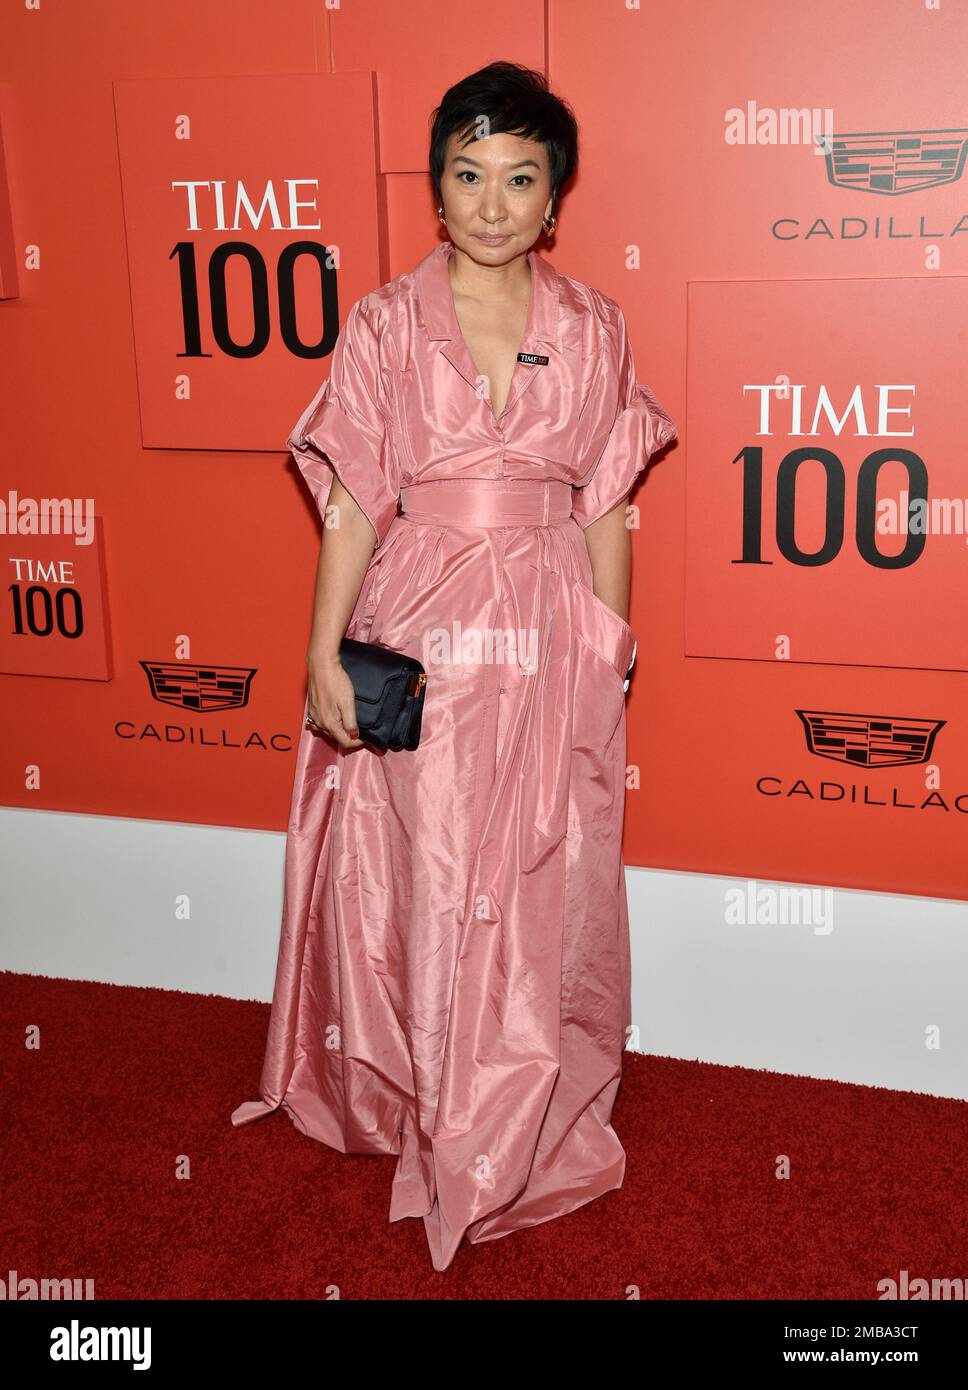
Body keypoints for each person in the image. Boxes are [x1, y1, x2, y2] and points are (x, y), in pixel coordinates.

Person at [231, 60, 677, 1273]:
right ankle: (421, 1097)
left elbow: (604, 503)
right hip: (415, 620)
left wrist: (607, 647)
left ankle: (517, 1104)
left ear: (554, 199)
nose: (490, 202)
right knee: (418, 866)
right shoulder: (382, 321)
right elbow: (351, 504)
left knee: (540, 863)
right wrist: (323, 648)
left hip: (544, 627)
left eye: (518, 178)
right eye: (467, 175)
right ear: (436, 191)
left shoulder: (592, 327)